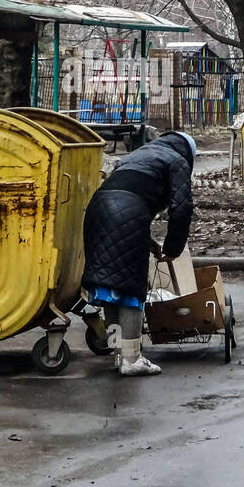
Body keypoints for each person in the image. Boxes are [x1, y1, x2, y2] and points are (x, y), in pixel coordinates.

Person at [80, 131, 195, 375]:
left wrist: (147, 239)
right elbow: (182, 208)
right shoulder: (178, 161)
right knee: (131, 289)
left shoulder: (137, 155)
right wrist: (173, 248)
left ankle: (119, 355)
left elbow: (124, 193)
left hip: (97, 210)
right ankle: (132, 360)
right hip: (127, 213)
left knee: (110, 285)